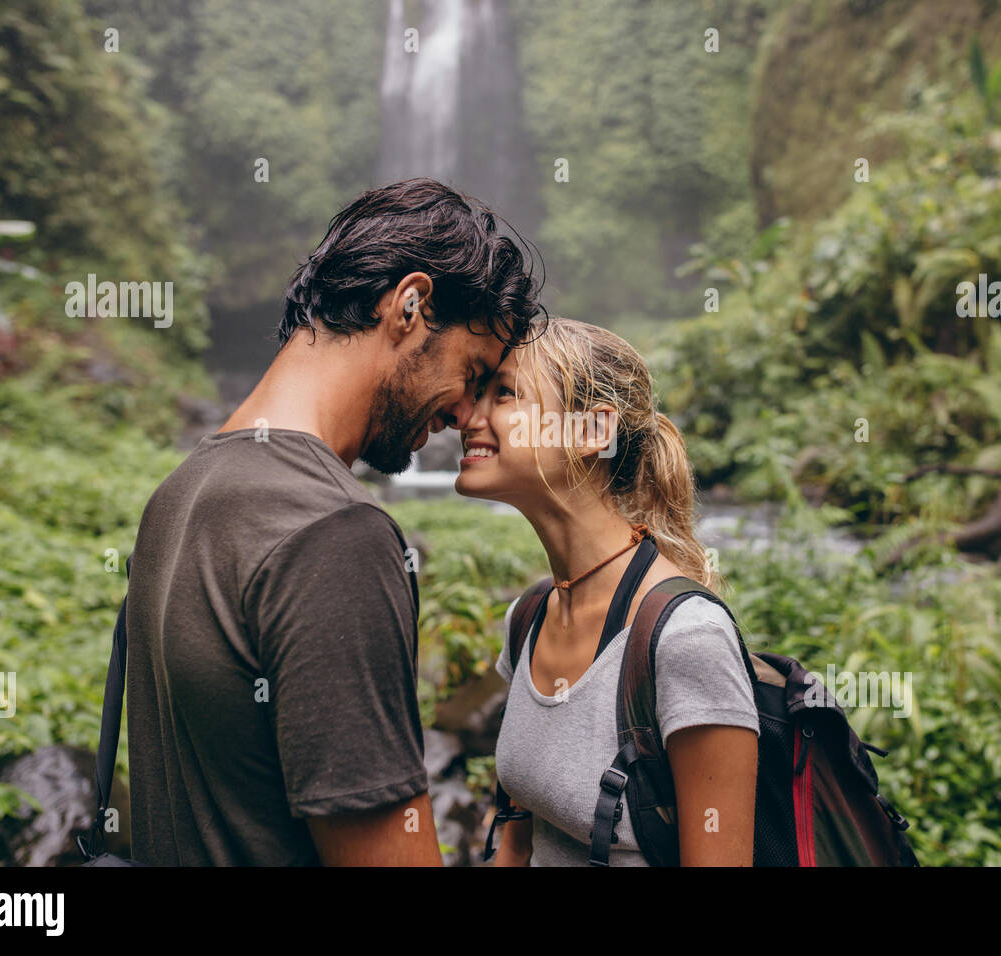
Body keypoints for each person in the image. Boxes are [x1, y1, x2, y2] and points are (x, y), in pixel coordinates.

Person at [126, 178, 545, 865]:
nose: (467, 415)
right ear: (408, 306)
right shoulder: (334, 535)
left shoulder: (179, 493)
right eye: (472, 372)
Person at [456, 317, 759, 866]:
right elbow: (518, 843)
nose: (466, 416)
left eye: (503, 393)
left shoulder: (687, 638)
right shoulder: (528, 618)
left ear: (595, 431)